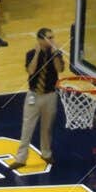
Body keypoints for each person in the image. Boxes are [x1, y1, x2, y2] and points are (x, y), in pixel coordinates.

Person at [10, 28, 64, 168]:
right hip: (33, 94)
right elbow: (30, 70)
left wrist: (56, 55)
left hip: (50, 95)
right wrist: (37, 54)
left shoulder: (56, 54)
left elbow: (60, 69)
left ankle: (46, 153)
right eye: (49, 38)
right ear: (40, 39)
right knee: (27, 127)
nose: (52, 40)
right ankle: (21, 158)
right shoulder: (31, 54)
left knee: (47, 127)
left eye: (53, 37)